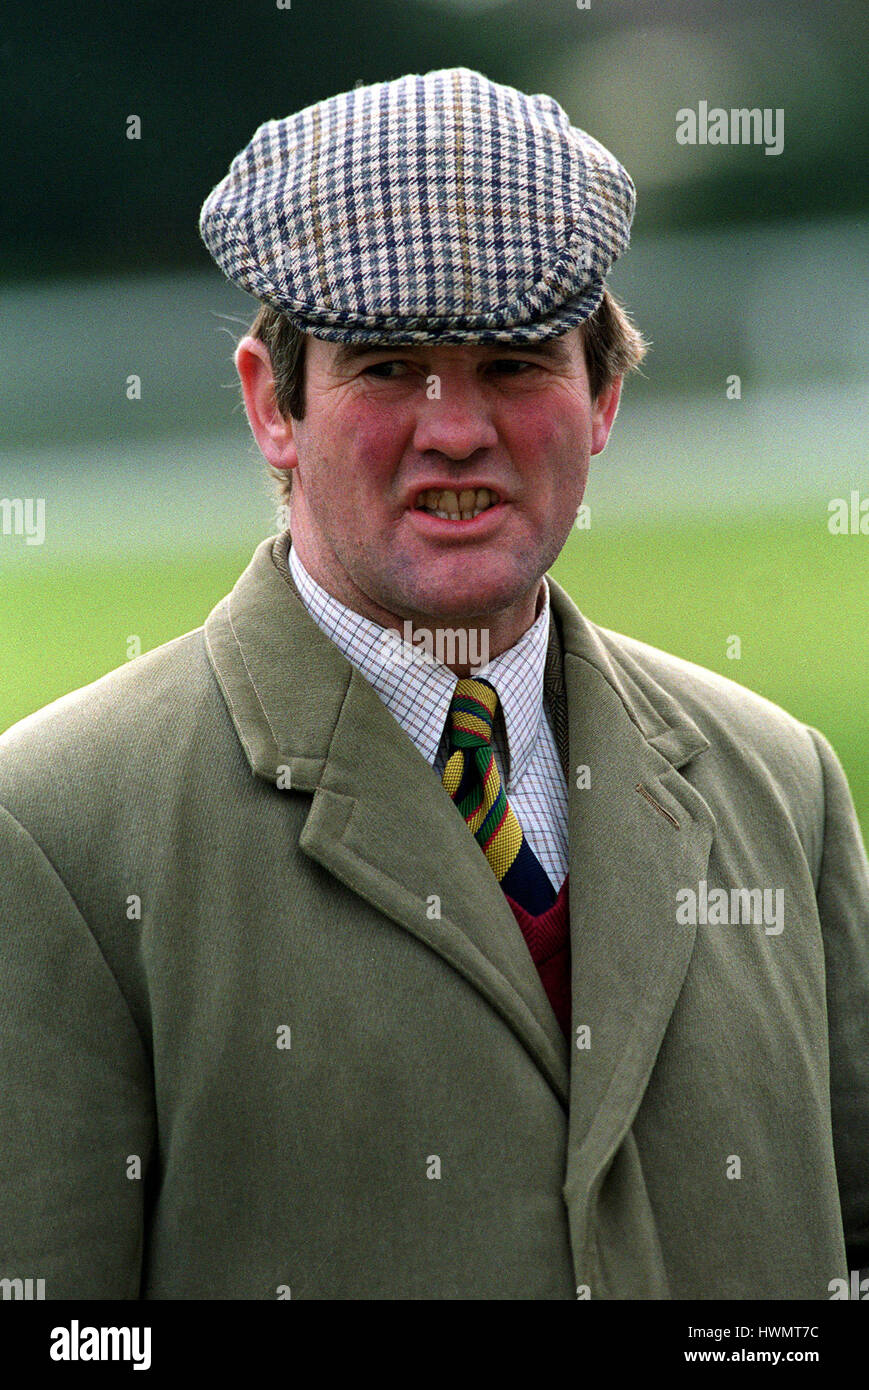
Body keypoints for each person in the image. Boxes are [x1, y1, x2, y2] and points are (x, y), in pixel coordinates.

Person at [1, 67, 867, 1301]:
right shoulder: (56, 835)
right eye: (386, 365)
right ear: (273, 406)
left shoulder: (782, 787)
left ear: (603, 396)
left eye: (514, 365)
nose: (453, 427)